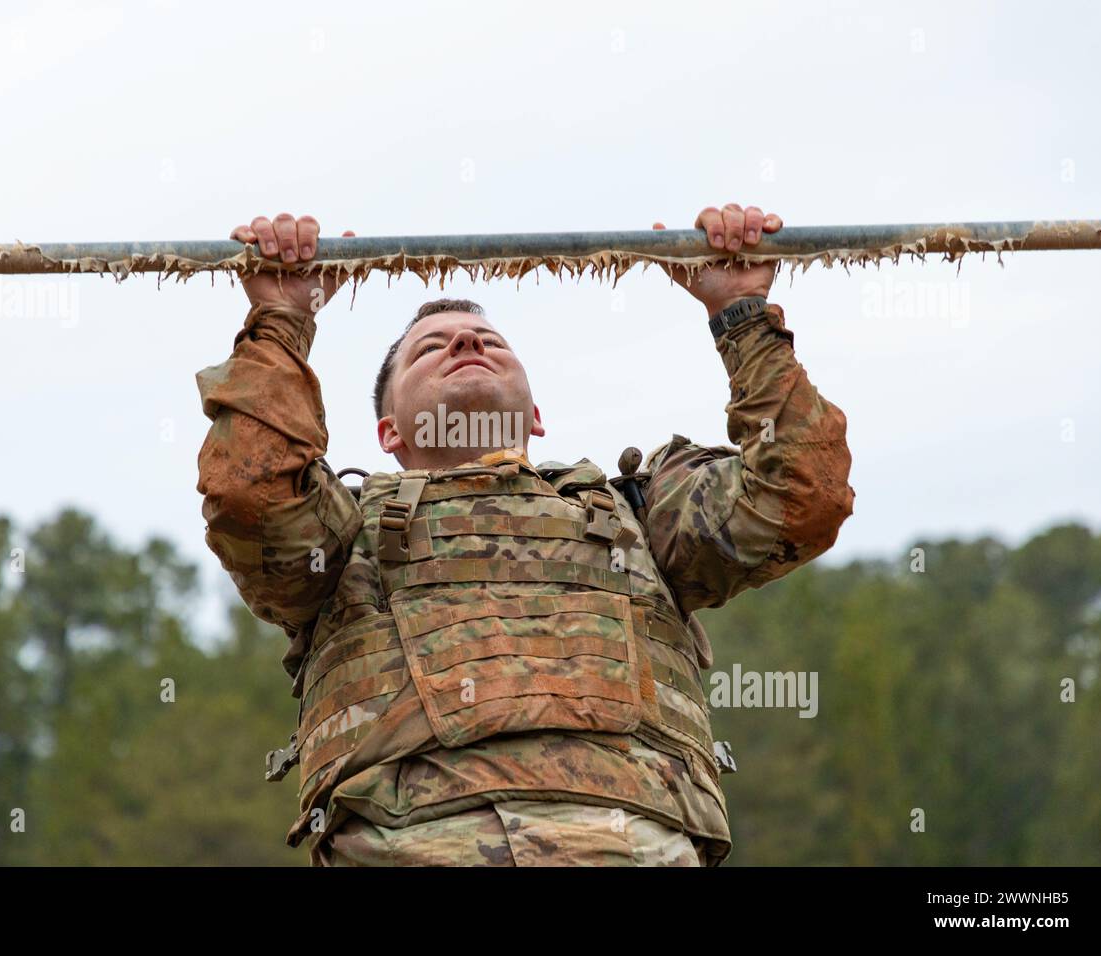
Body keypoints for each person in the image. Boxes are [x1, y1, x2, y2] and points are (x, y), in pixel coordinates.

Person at [195, 204, 854, 866]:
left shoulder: (643, 510)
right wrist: (282, 320)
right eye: (433, 347)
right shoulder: (340, 533)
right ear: (389, 432)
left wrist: (741, 314)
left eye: (489, 339)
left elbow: (802, 495)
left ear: (535, 416)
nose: (466, 343)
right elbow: (249, 498)